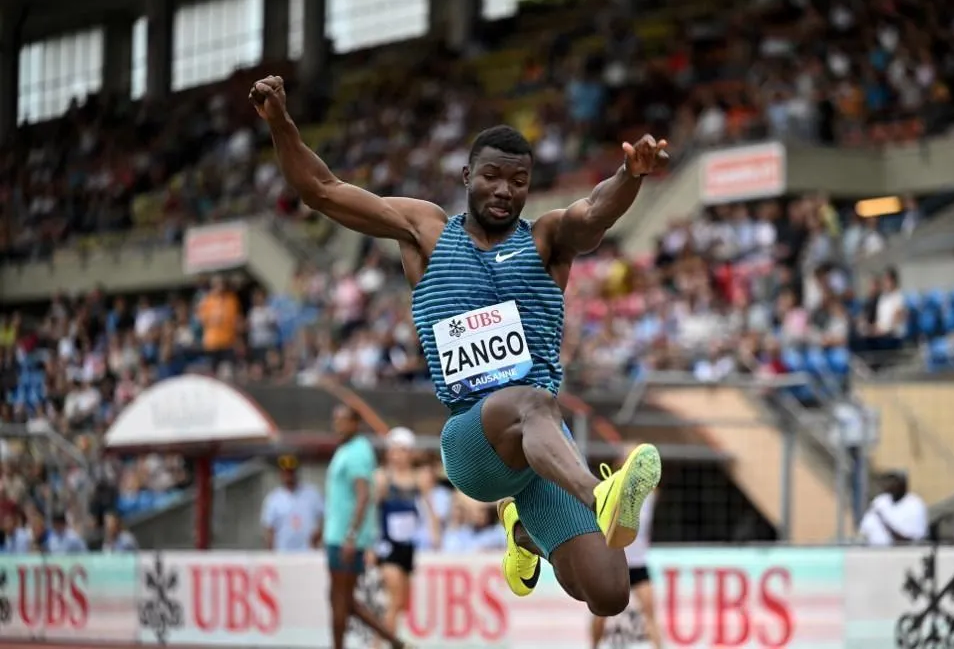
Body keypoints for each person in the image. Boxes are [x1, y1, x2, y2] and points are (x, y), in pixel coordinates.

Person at [251, 75, 665, 616]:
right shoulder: (426, 231)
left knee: (609, 594)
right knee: (530, 400)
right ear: (468, 175)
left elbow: (593, 214)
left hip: (543, 448)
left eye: (518, 181)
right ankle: (598, 496)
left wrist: (629, 176)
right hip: (473, 440)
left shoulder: (545, 240)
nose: (504, 190)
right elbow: (322, 191)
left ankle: (524, 534)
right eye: (492, 176)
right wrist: (281, 123)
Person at [323, 405, 409, 649]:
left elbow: (363, 496)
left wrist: (351, 535)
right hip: (337, 534)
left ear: (355, 423)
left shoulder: (358, 451)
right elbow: (340, 496)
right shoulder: (347, 449)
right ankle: (396, 642)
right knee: (344, 601)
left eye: (343, 420)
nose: (337, 425)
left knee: (341, 600)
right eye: (335, 419)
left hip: (345, 537)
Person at [589, 445, 662, 649]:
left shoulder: (650, 494)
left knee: (650, 612)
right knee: (600, 614)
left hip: (637, 563)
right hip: (614, 563)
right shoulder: (611, 490)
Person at [374, 427, 439, 644]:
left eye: (402, 450)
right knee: (394, 600)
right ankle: (386, 644)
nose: (398, 455)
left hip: (408, 546)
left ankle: (385, 641)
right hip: (388, 546)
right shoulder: (383, 478)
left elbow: (431, 509)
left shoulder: (418, 478)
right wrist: (368, 546)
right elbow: (370, 513)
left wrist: (435, 534)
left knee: (401, 603)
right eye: (395, 450)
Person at [260, 455, 324, 551]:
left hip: (309, 555)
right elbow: (269, 530)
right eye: (285, 472)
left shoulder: (312, 494)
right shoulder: (273, 499)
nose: (288, 475)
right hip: (283, 555)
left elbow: (326, 517)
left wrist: (320, 532)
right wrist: (270, 555)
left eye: (291, 471)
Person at [857, 470, 928, 545]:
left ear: (903, 484)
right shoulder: (880, 501)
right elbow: (864, 531)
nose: (890, 484)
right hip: (872, 552)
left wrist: (884, 521)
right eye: (889, 481)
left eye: (895, 481)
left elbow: (910, 540)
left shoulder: (915, 504)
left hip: (901, 553)